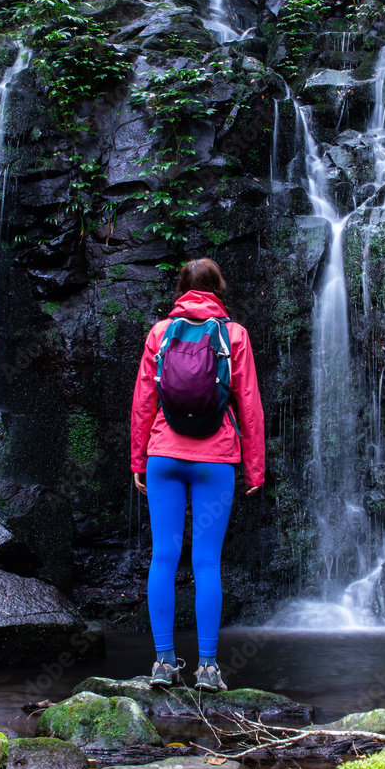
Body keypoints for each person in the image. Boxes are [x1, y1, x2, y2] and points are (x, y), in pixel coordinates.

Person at [131, 258, 265, 692]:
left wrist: (138, 461)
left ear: (181, 289)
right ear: (219, 289)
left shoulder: (159, 333)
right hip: (216, 459)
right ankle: (208, 668)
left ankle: (164, 663)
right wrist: (255, 466)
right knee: (207, 561)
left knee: (164, 558)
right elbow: (249, 405)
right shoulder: (235, 335)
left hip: (163, 458)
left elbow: (142, 403)